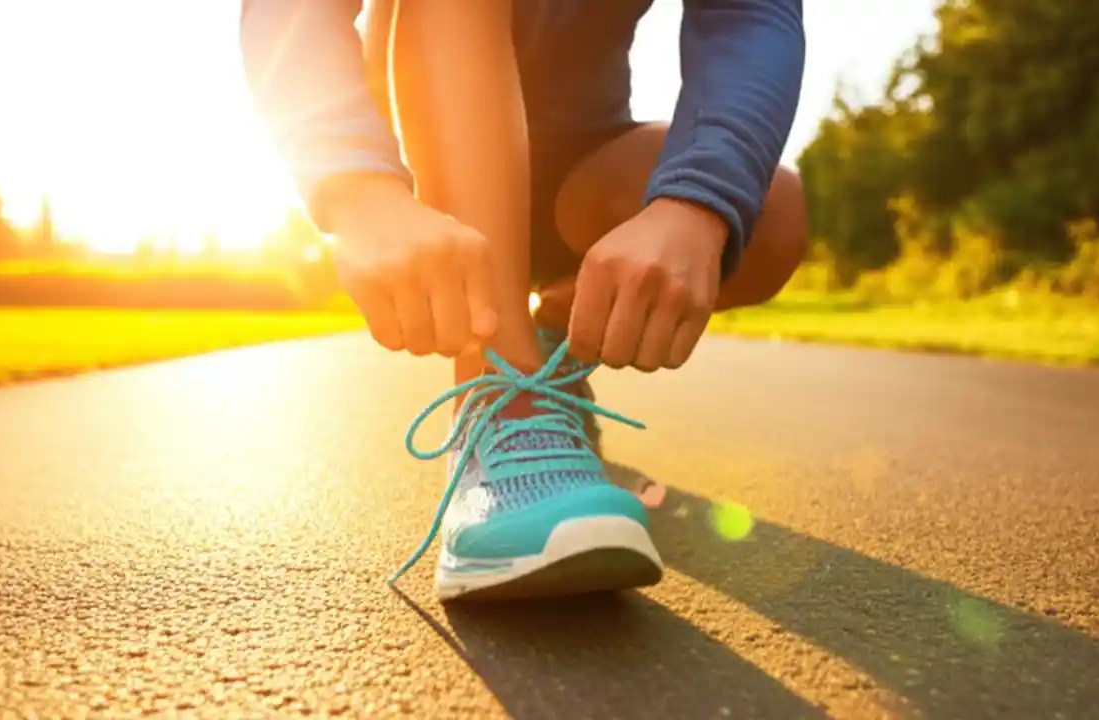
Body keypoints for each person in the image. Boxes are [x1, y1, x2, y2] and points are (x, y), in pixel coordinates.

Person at [240, 0, 807, 601]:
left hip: (581, 166)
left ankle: (545, 354)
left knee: (772, 213)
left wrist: (698, 201)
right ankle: (501, 398)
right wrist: (357, 188)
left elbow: (749, 15)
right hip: (427, 143)